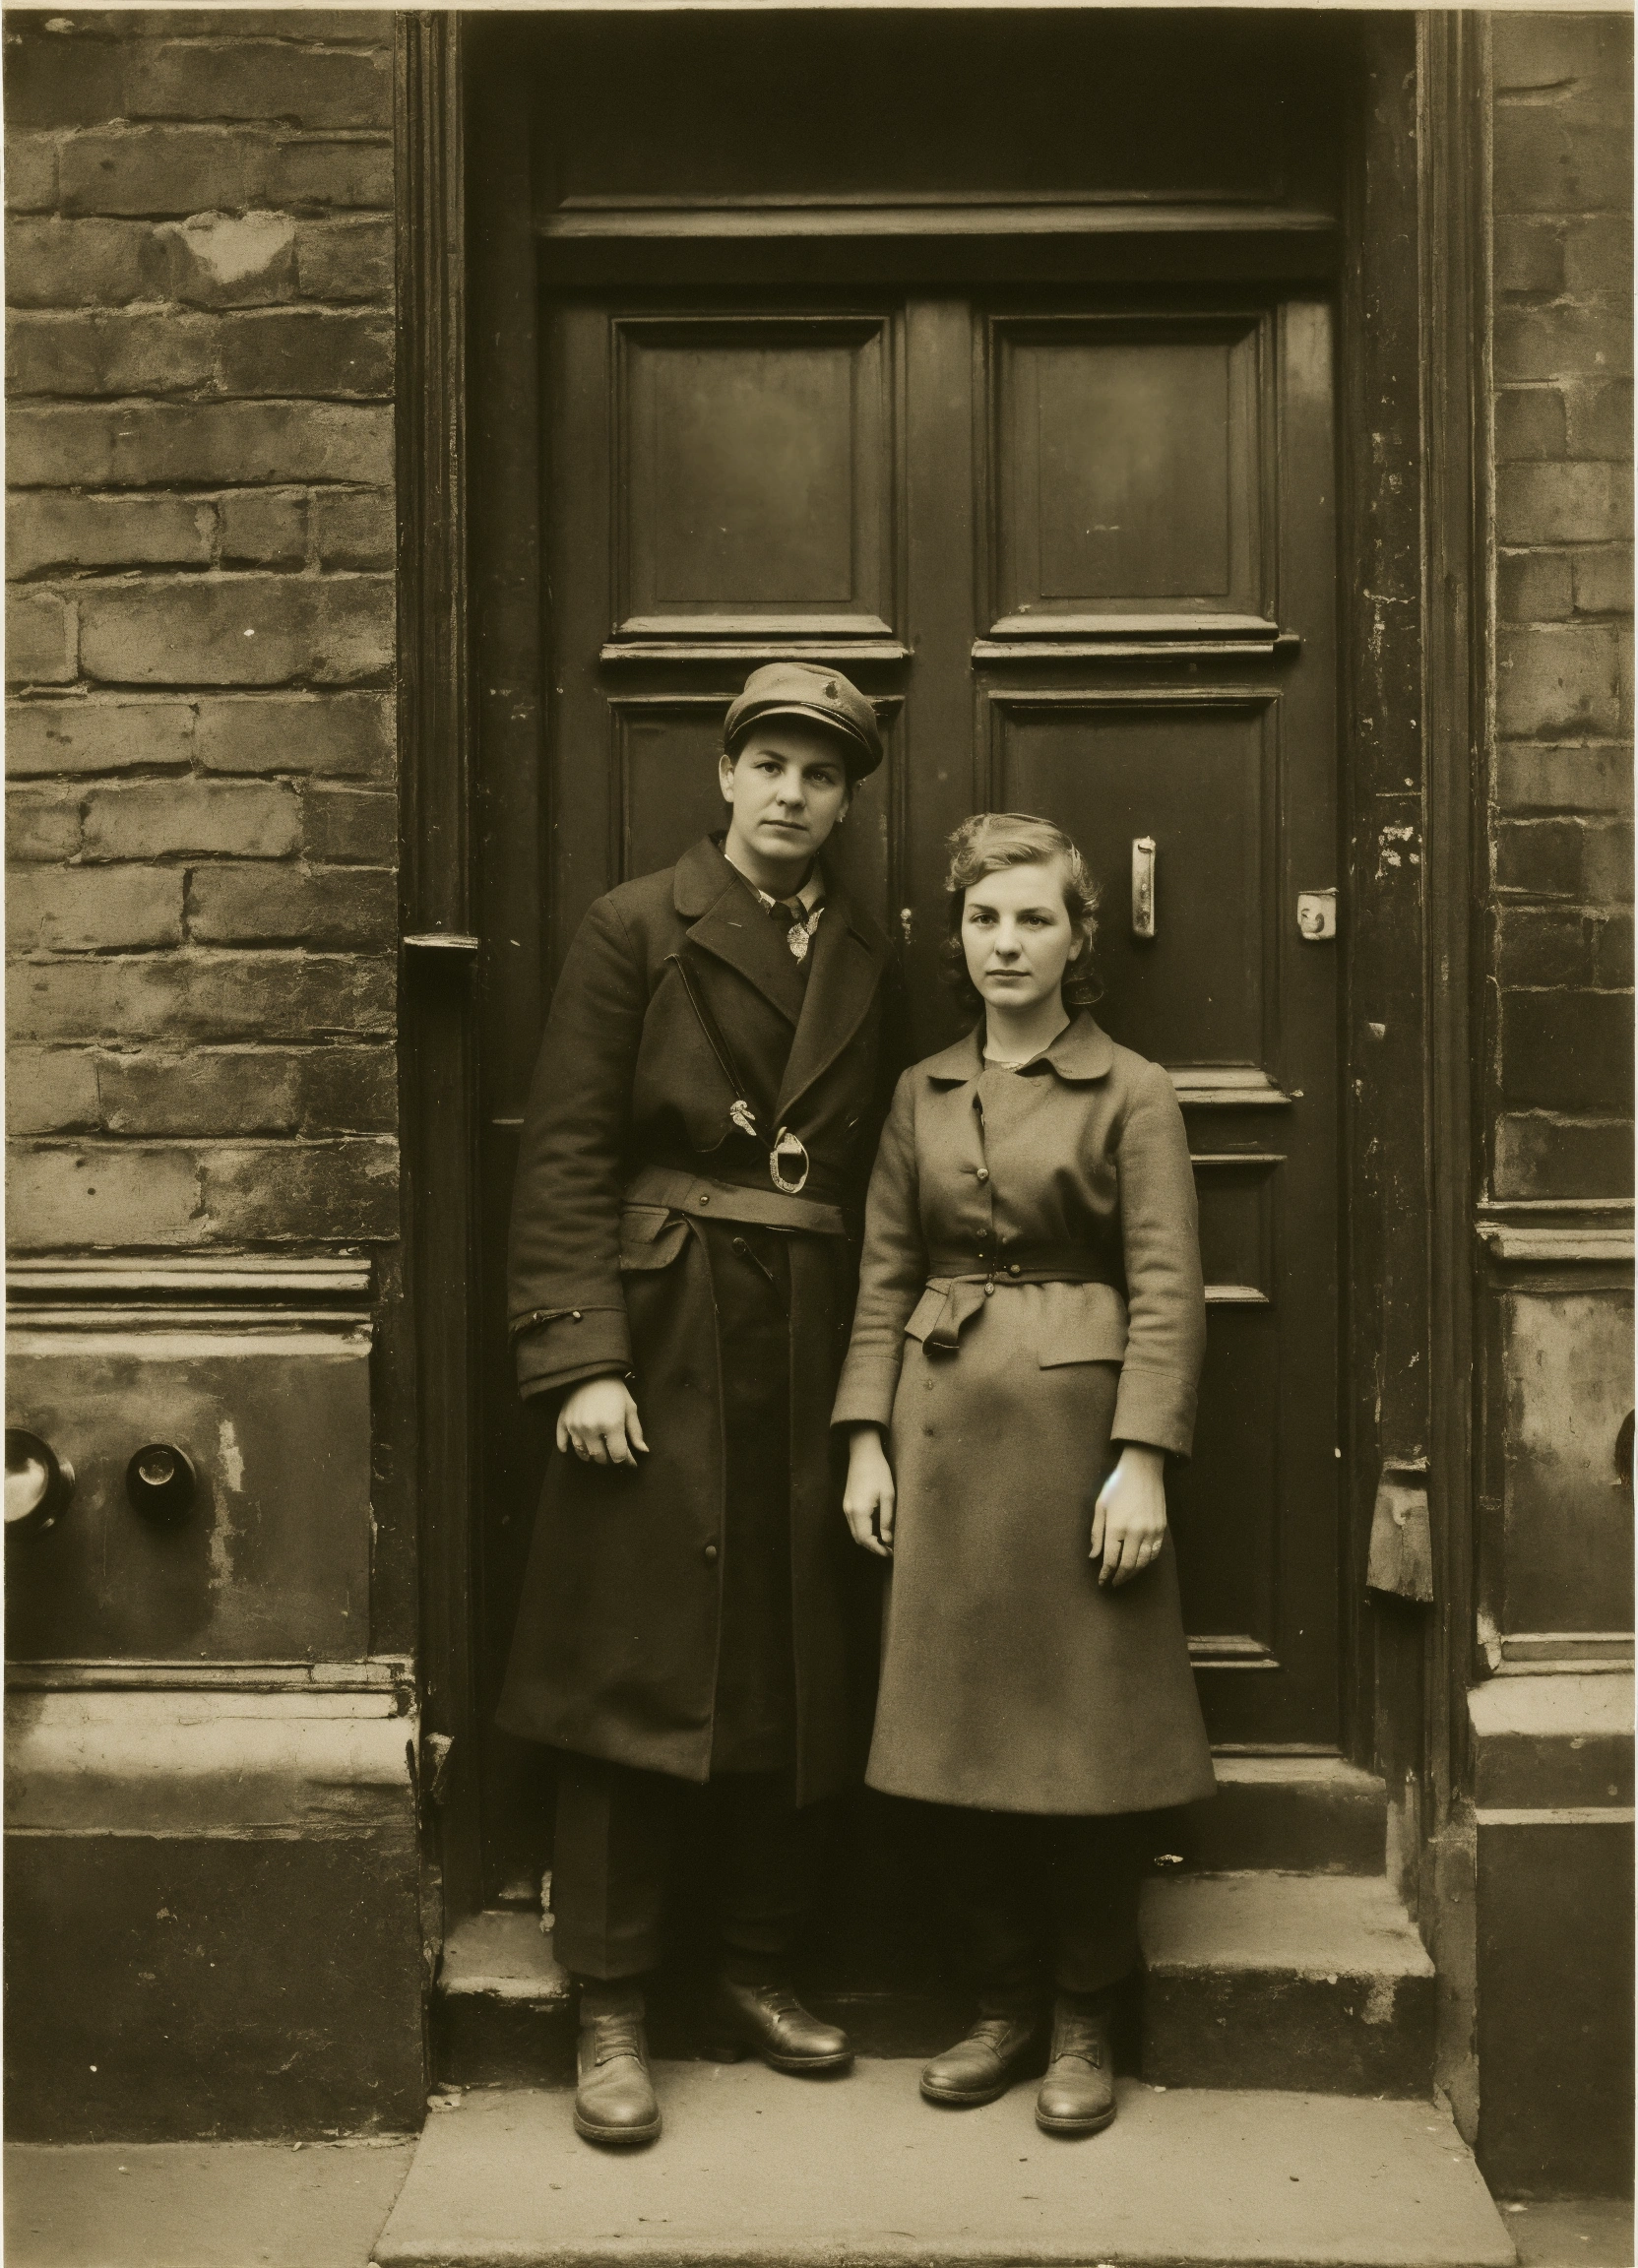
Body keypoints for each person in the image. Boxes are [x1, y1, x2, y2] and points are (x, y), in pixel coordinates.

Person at [499, 662, 905, 2149]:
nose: (793, 794)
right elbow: (564, 1154)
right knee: (632, 1663)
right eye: (771, 765)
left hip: (805, 1329)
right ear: (724, 778)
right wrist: (578, 1355)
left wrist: (873, 1389)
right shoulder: (635, 927)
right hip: (661, 1335)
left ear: (849, 800)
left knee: (791, 1657)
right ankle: (607, 2008)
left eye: (822, 774)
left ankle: (753, 1965)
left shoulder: (867, 945)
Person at [834, 811, 1214, 2139]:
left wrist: (1143, 1463)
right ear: (958, 936)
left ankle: (1084, 2017)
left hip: (1073, 1456)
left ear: (1077, 939)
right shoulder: (920, 1091)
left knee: (1083, 1750)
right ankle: (998, 2005)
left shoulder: (1134, 1090)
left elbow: (1166, 1294)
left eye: (1034, 919)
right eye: (985, 919)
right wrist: (865, 1441)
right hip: (940, 1446)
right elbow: (882, 1277)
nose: (1007, 943)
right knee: (955, 1743)